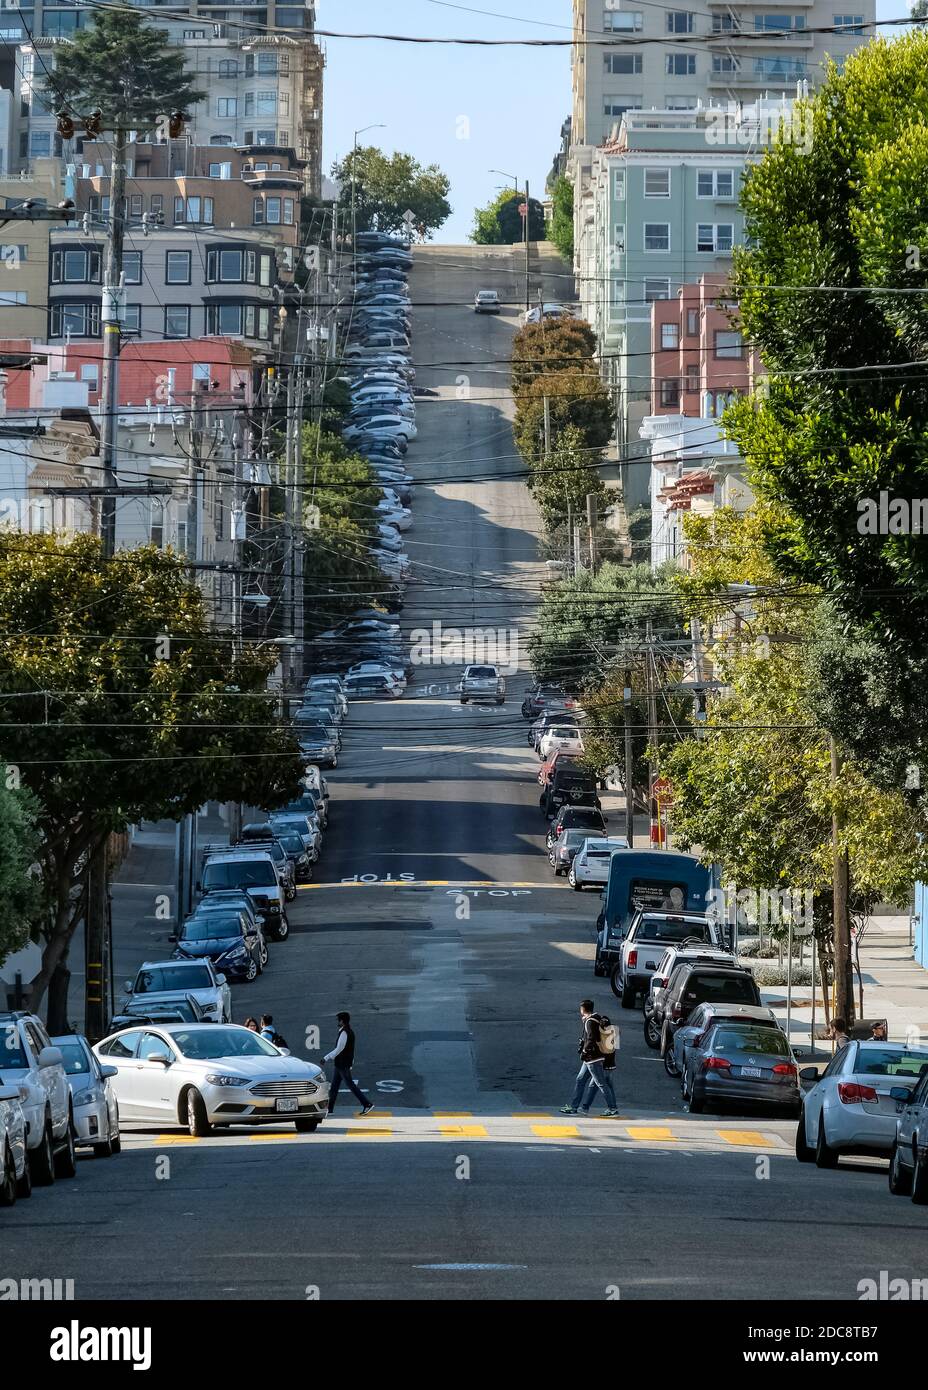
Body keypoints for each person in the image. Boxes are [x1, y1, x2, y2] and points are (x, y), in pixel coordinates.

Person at [560, 1000, 619, 1117]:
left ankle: (612, 1108)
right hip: (592, 1058)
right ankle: (574, 1107)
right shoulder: (597, 1018)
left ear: (582, 1009)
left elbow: (591, 1038)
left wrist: (584, 1051)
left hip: (593, 1058)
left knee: (601, 1083)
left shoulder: (590, 1022)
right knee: (580, 1079)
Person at [323, 1011, 375, 1116]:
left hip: (342, 1064)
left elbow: (339, 1049)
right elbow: (351, 1050)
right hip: (340, 1064)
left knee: (350, 1085)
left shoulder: (345, 1033)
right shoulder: (348, 1031)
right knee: (334, 1087)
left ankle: (367, 1104)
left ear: (342, 1021)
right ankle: (330, 1109)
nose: (337, 1022)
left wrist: (326, 1058)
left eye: (338, 1020)